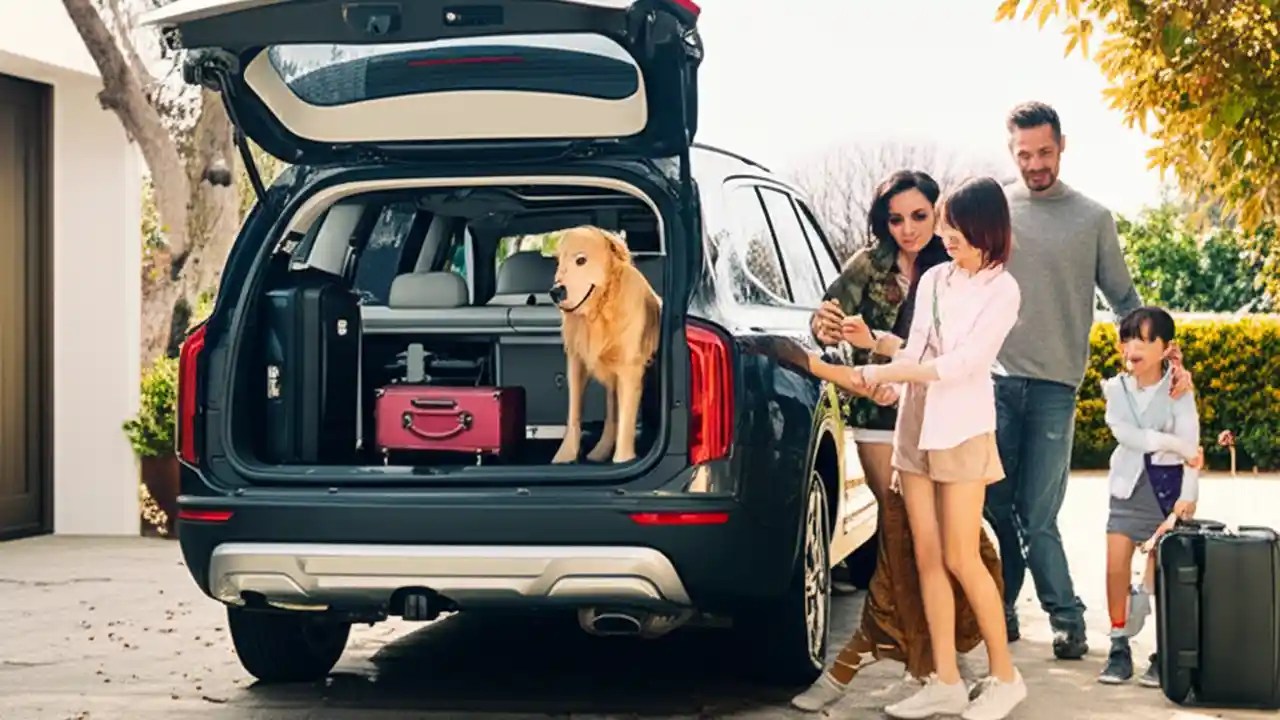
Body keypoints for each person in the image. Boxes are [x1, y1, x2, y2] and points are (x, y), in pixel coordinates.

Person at [795, 177, 1027, 720]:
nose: (946, 237)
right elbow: (919, 343)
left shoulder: (1003, 290)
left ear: (987, 231)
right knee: (925, 555)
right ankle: (943, 679)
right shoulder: (937, 279)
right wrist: (887, 384)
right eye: (946, 226)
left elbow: (963, 364)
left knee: (961, 557)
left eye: (956, 229)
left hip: (963, 427)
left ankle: (1005, 677)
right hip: (915, 426)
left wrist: (887, 369)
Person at [987, 101, 1193, 659]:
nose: (1035, 164)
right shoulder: (997, 209)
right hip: (994, 384)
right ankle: (1000, 610)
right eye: (1024, 154)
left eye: (1045, 152)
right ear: (1012, 152)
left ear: (1062, 146)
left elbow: (1126, 302)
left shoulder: (1092, 217)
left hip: (1056, 387)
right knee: (995, 507)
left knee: (1038, 512)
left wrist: (1169, 358)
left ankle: (1067, 616)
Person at [1097, 306, 1203, 687]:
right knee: (1115, 566)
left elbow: (1193, 448)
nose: (1133, 347)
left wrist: (1188, 496)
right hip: (1128, 488)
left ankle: (1163, 651)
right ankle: (1118, 643)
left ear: (1165, 347)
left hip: (1169, 492)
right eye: (1128, 338)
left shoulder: (1179, 390)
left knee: (1161, 576)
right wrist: (1173, 443)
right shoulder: (1116, 389)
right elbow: (1128, 436)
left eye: (1144, 339)